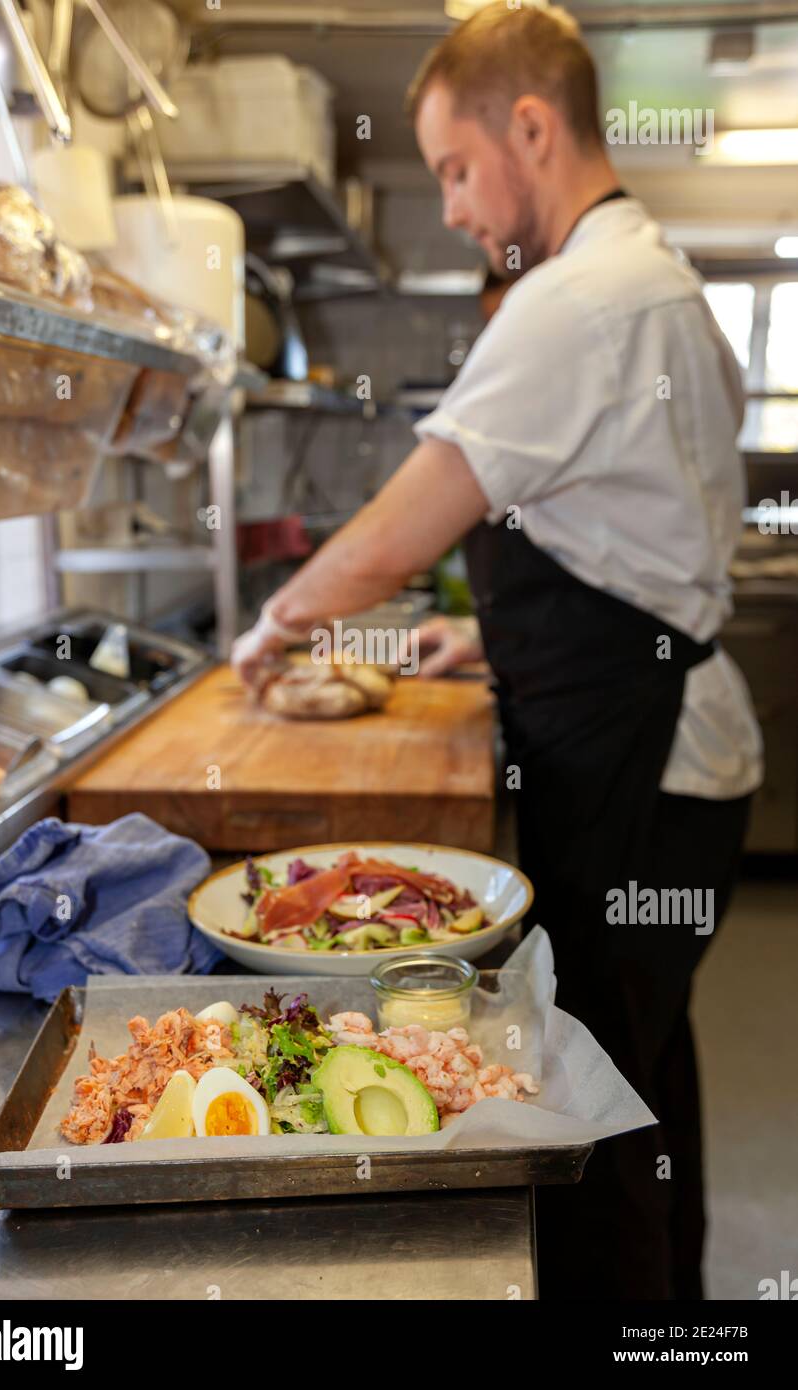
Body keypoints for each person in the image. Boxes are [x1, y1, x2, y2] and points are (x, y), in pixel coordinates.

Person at [231, 2, 763, 1299]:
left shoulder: (578, 298)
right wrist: (482, 638)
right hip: (665, 742)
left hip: (642, 765)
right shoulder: (646, 282)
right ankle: (668, 1297)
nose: (455, 207)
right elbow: (626, 550)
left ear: (531, 125)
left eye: (456, 168)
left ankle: (626, 1312)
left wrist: (274, 622)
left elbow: (392, 529)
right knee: (637, 1057)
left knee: (595, 1086)